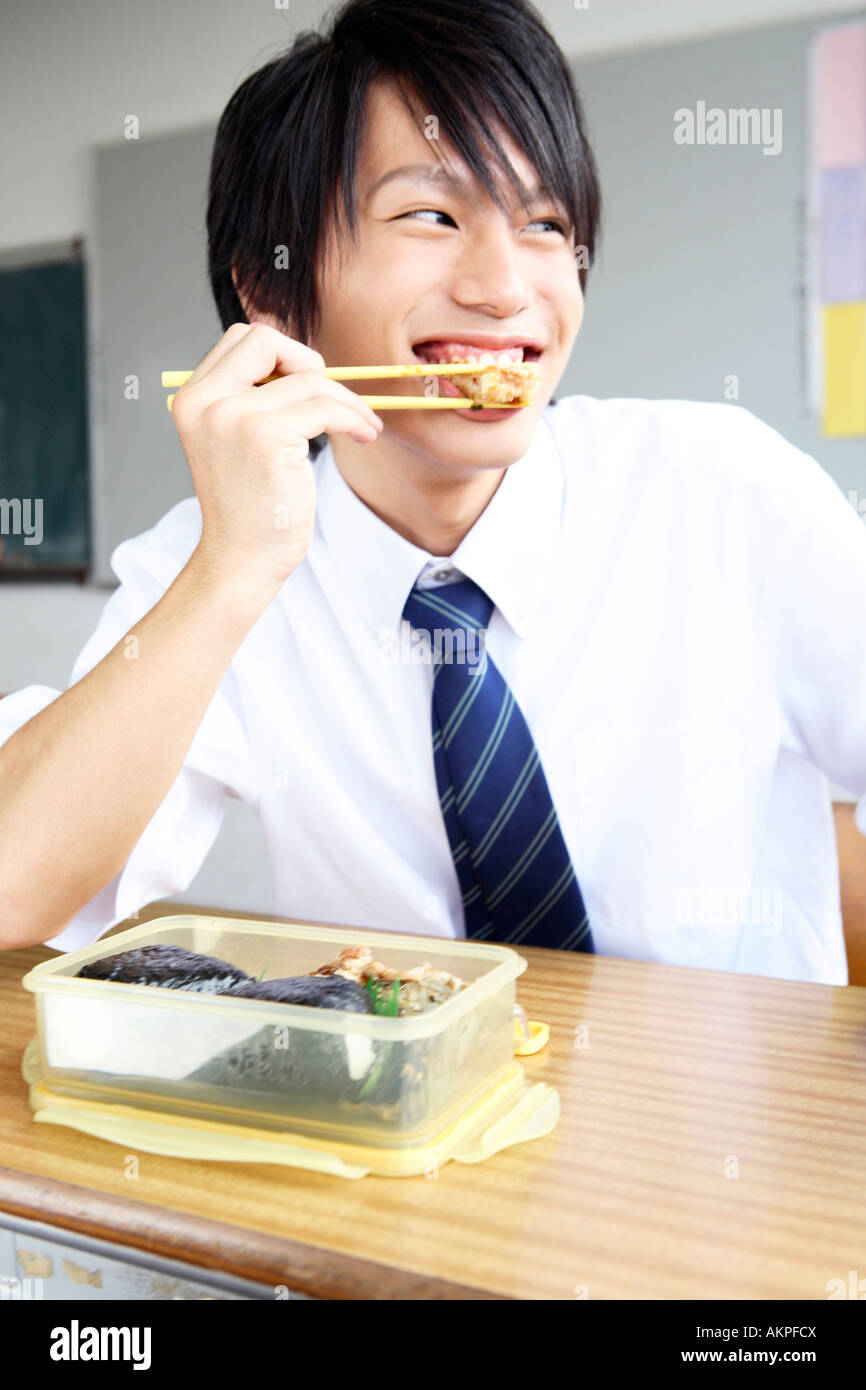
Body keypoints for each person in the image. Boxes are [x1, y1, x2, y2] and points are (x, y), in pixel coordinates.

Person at [1, 0, 864, 985]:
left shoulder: (721, 491)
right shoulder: (220, 552)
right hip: (400, 1127)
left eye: (545, 224)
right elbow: (15, 886)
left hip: (725, 1124)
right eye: (431, 215)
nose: (506, 286)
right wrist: (232, 571)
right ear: (274, 294)